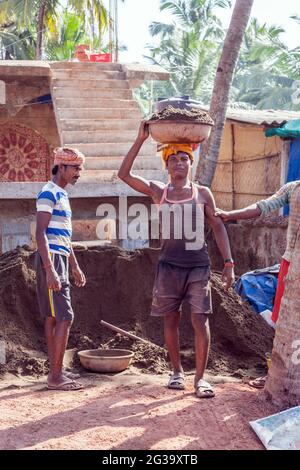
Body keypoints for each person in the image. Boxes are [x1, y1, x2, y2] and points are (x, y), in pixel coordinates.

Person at [118, 121, 235, 398]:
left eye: (184, 159)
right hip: (168, 266)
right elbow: (124, 174)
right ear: (167, 166)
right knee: (170, 321)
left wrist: (229, 263)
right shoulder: (160, 192)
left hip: (198, 267)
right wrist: (140, 139)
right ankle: (176, 372)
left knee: (200, 320)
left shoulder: (202, 193)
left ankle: (200, 380)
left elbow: (218, 226)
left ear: (190, 164)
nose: (179, 163)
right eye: (174, 159)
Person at [215, 180, 300, 388]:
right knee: (282, 323)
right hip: (291, 263)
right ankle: (277, 374)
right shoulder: (293, 188)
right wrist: (231, 214)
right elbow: (264, 207)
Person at [36, 147, 86, 391]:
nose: (79, 172)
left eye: (80, 168)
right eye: (75, 168)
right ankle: (55, 377)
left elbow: (63, 236)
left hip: (60, 258)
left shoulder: (62, 195)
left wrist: (74, 265)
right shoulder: (48, 193)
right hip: (52, 259)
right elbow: (40, 234)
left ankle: (56, 368)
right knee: (65, 316)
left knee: (53, 317)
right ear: (62, 167)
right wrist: (50, 269)